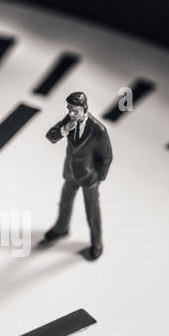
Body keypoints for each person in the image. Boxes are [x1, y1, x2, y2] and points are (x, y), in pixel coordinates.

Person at [41, 91, 111, 260]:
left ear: (84, 109)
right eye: (69, 109)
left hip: (90, 176)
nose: (71, 113)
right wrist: (65, 129)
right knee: (65, 202)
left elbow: (107, 157)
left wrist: (99, 178)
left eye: (75, 110)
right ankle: (61, 228)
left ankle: (96, 242)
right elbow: (51, 136)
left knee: (92, 211)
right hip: (71, 171)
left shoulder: (98, 129)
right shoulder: (69, 120)